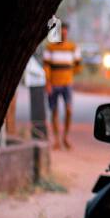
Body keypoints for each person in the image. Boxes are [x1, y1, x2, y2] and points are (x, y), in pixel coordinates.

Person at [43, 21, 82, 149]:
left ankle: (65, 137)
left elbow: (78, 65)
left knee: (69, 110)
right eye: (61, 32)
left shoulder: (72, 47)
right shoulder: (50, 47)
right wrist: (48, 83)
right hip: (53, 84)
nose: (63, 34)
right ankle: (56, 140)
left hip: (67, 84)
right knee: (54, 111)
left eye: (65, 32)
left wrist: (69, 74)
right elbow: (46, 67)